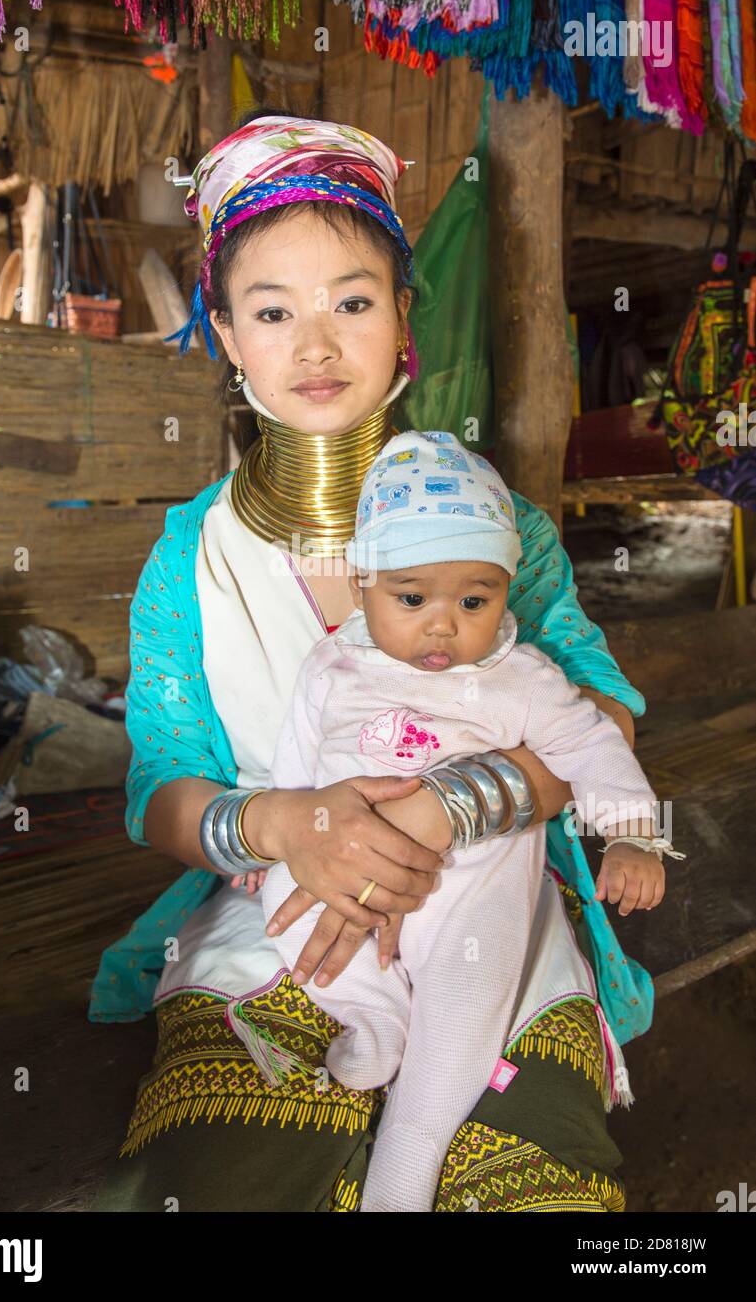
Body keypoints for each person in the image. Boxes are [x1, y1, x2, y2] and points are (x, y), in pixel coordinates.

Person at [91, 107, 656, 1214]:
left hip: (488, 897)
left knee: (531, 1194)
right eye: (271, 310)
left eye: (351, 301)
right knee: (221, 1182)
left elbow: (601, 715)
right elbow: (160, 792)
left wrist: (448, 807)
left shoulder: (498, 528)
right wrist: (298, 826)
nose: (314, 343)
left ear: (404, 319)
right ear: (223, 332)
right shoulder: (191, 558)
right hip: (280, 911)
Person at [257, 429, 676, 1213]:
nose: (443, 625)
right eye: (411, 599)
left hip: (471, 895)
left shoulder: (521, 677)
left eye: (473, 600)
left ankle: (405, 1164)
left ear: (504, 591)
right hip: (349, 876)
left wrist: (629, 832)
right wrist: (283, 840)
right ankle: (369, 1016)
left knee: (466, 1012)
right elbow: (295, 765)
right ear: (363, 583)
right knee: (287, 913)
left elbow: (590, 744)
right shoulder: (333, 667)